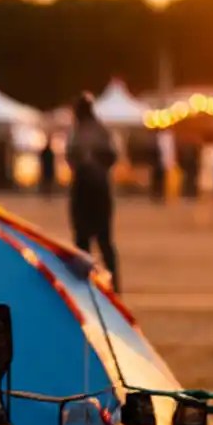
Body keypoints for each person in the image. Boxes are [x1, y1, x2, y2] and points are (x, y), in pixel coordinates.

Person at [66, 92, 121, 293]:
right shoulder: (102, 131)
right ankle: (115, 286)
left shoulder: (77, 132)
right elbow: (112, 156)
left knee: (83, 241)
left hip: (85, 188)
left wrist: (86, 164)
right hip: (99, 187)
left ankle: (85, 287)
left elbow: (70, 157)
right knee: (104, 240)